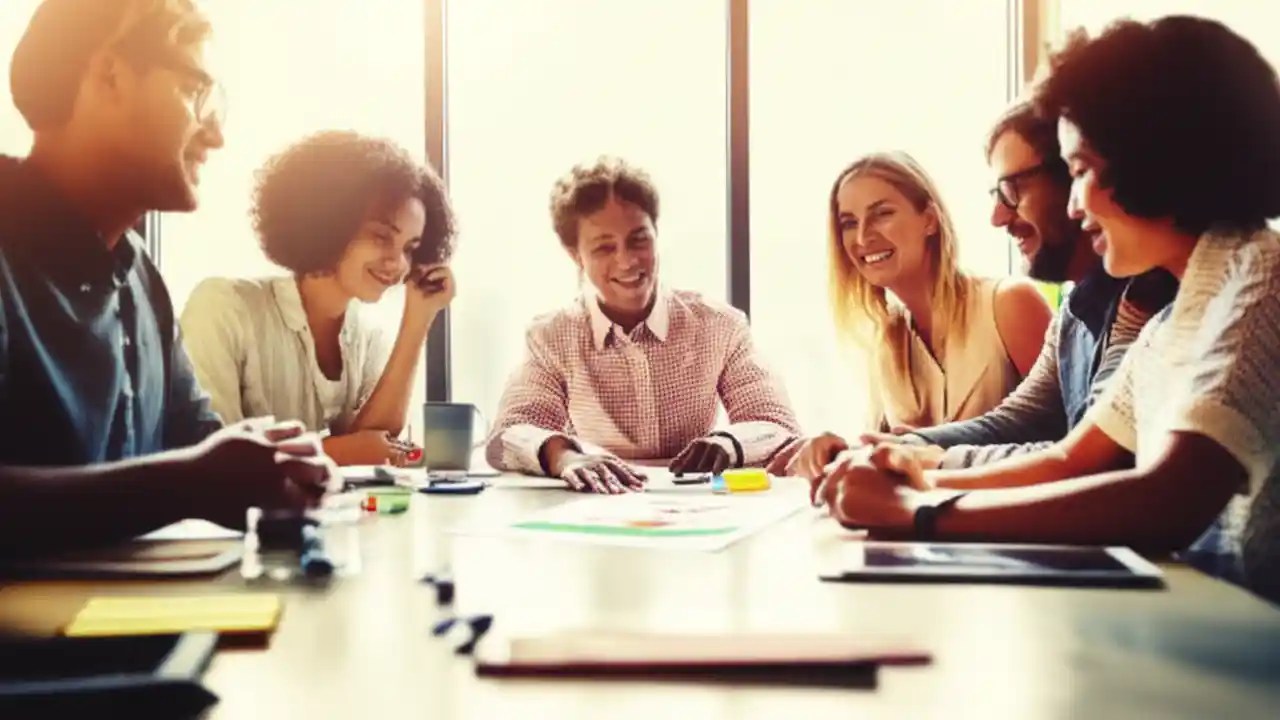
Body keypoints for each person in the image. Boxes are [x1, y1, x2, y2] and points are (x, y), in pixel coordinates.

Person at [819, 16, 1280, 603]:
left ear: (1155, 158)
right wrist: (923, 477)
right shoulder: (1178, 316)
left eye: (1082, 170)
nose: (1074, 200)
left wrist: (920, 512)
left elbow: (1165, 499)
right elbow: (1073, 456)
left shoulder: (1260, 276)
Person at [0, 0, 335, 553]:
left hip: (117, 621)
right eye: (195, 90)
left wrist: (271, 463)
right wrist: (188, 483)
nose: (215, 135)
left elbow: (193, 441)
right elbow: (188, 474)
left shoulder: (138, 277)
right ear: (109, 75)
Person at [774, 103, 1176, 479]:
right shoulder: (1080, 309)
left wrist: (930, 466)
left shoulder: (1147, 300)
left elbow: (1090, 459)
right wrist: (894, 447)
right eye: (848, 222)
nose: (998, 216)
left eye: (1012, 191)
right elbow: (1020, 419)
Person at [485, 157, 799, 493]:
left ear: (656, 233)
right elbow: (510, 433)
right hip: (596, 506)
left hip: (697, 509)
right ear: (575, 254)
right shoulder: (551, 336)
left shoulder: (719, 325)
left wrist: (728, 443)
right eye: (605, 247)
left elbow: (777, 424)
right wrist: (566, 458)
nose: (627, 260)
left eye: (639, 240)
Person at [180, 131, 457, 466]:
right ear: (329, 222)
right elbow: (211, 461)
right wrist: (337, 452)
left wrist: (418, 319)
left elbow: (376, 444)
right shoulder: (223, 307)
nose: (398, 263)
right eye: (381, 236)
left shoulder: (367, 338)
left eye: (411, 249)